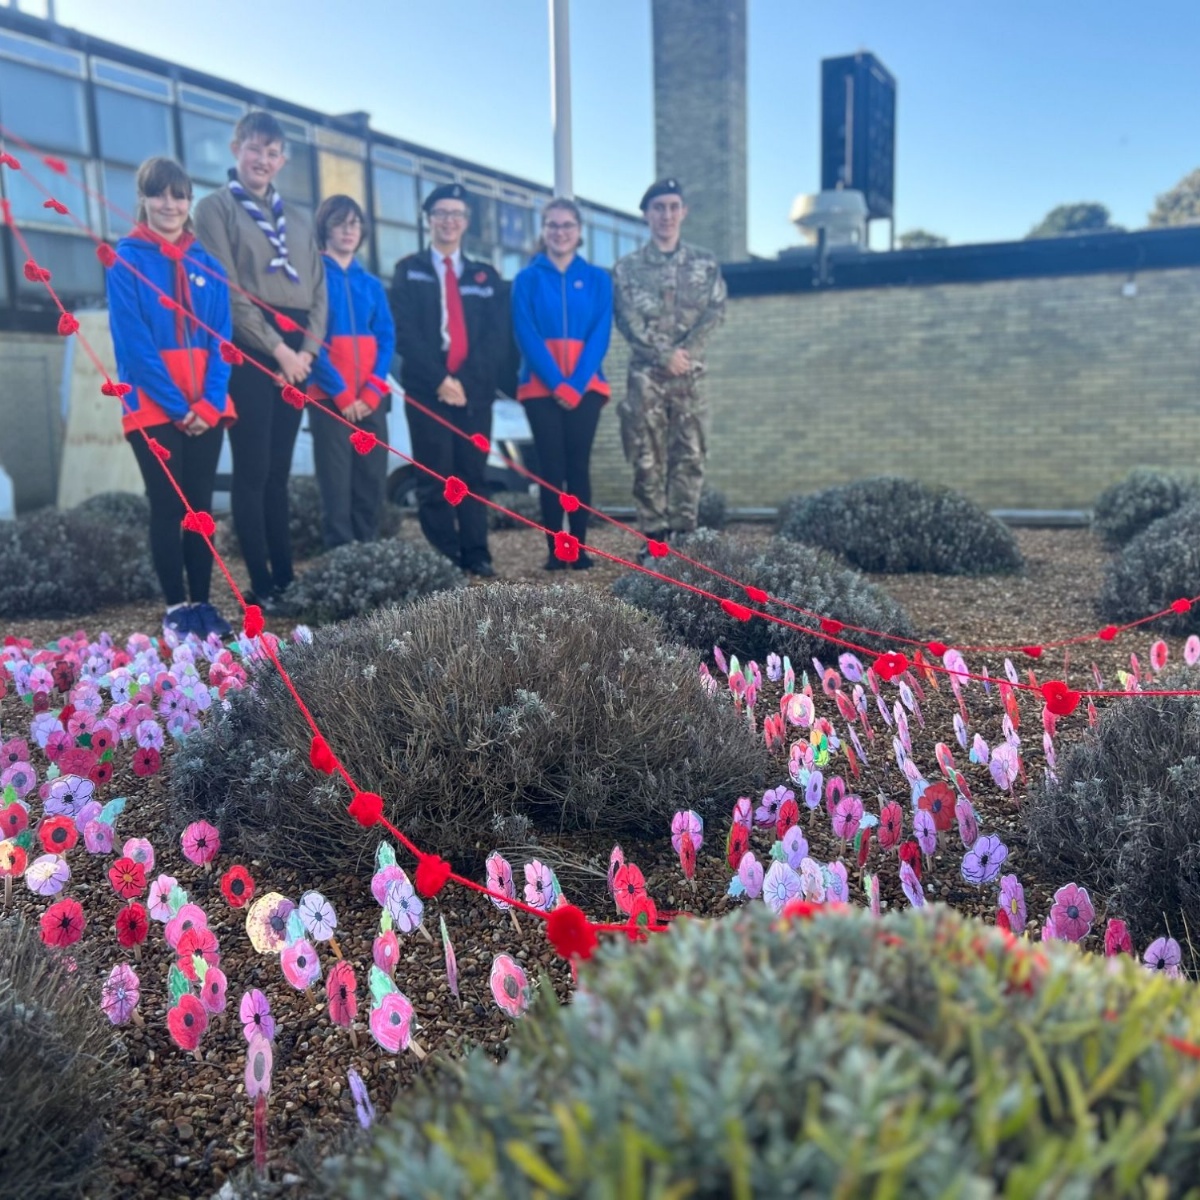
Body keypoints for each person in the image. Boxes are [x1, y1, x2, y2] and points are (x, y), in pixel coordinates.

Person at [194, 111, 327, 612]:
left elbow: (319, 290)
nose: (263, 160)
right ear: (236, 149)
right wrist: (278, 351)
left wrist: (306, 351)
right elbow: (227, 290)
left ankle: (287, 578)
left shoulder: (299, 218)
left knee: (279, 472)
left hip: (298, 349)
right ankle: (262, 583)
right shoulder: (214, 208)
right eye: (254, 149)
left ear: (283, 160)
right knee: (252, 470)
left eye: (273, 153)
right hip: (250, 347)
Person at [106, 156, 237, 640]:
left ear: (189, 202)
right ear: (142, 199)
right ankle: (175, 608)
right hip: (154, 407)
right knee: (167, 505)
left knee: (200, 506)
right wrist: (179, 407)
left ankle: (202, 602)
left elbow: (223, 340)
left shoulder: (209, 266)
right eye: (158, 194)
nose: (169, 204)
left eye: (179, 196)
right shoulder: (124, 261)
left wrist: (208, 403)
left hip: (206, 407)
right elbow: (133, 343)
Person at [389, 183, 507, 577]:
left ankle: (477, 554)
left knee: (473, 474)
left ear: (466, 222)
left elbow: (496, 337)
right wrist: (440, 379)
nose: (448, 221)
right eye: (441, 213)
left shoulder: (485, 276)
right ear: (429, 219)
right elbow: (404, 331)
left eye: (456, 214)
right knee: (434, 477)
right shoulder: (408, 270)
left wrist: (465, 383)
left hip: (474, 392)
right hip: (427, 388)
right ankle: (446, 559)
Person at [612, 178, 727, 548]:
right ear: (646, 214)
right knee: (646, 458)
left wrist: (685, 353)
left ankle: (684, 539)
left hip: (690, 377)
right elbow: (627, 319)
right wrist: (663, 355)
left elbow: (715, 312)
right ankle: (654, 540)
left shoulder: (705, 264)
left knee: (690, 456)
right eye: (658, 208)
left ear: (684, 212)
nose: (666, 215)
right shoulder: (627, 269)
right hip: (646, 379)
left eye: (673, 207)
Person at [511, 197, 612, 571]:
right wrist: (557, 382)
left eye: (567, 224)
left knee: (578, 467)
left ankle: (579, 549)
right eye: (552, 225)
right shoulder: (526, 279)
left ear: (579, 231)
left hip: (586, 388)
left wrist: (576, 383)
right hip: (540, 389)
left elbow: (600, 334)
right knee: (551, 470)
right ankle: (556, 550)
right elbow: (525, 333)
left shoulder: (599, 279)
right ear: (543, 230)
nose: (560, 231)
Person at [306, 195, 395, 549]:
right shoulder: (313, 279)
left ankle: (367, 553)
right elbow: (311, 340)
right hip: (330, 399)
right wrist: (342, 395)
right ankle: (341, 557)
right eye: (339, 223)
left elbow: (386, 338)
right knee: (336, 484)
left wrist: (371, 391)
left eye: (355, 223)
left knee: (371, 481)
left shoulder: (371, 284)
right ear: (325, 228)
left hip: (371, 401)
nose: (348, 230)